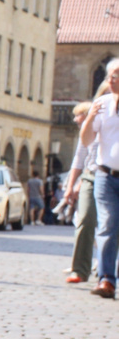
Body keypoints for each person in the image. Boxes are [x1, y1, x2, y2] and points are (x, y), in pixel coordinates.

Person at [79, 58, 119, 298]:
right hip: (105, 175)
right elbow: (86, 141)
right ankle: (106, 280)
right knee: (108, 224)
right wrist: (89, 119)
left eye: (116, 75)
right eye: (109, 75)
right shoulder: (102, 104)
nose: (111, 80)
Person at [64, 99, 98, 284]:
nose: (76, 120)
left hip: (110, 175)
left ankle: (106, 270)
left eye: (79, 116)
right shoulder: (85, 131)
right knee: (84, 219)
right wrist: (71, 186)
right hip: (91, 176)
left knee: (111, 226)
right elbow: (79, 158)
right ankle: (79, 270)